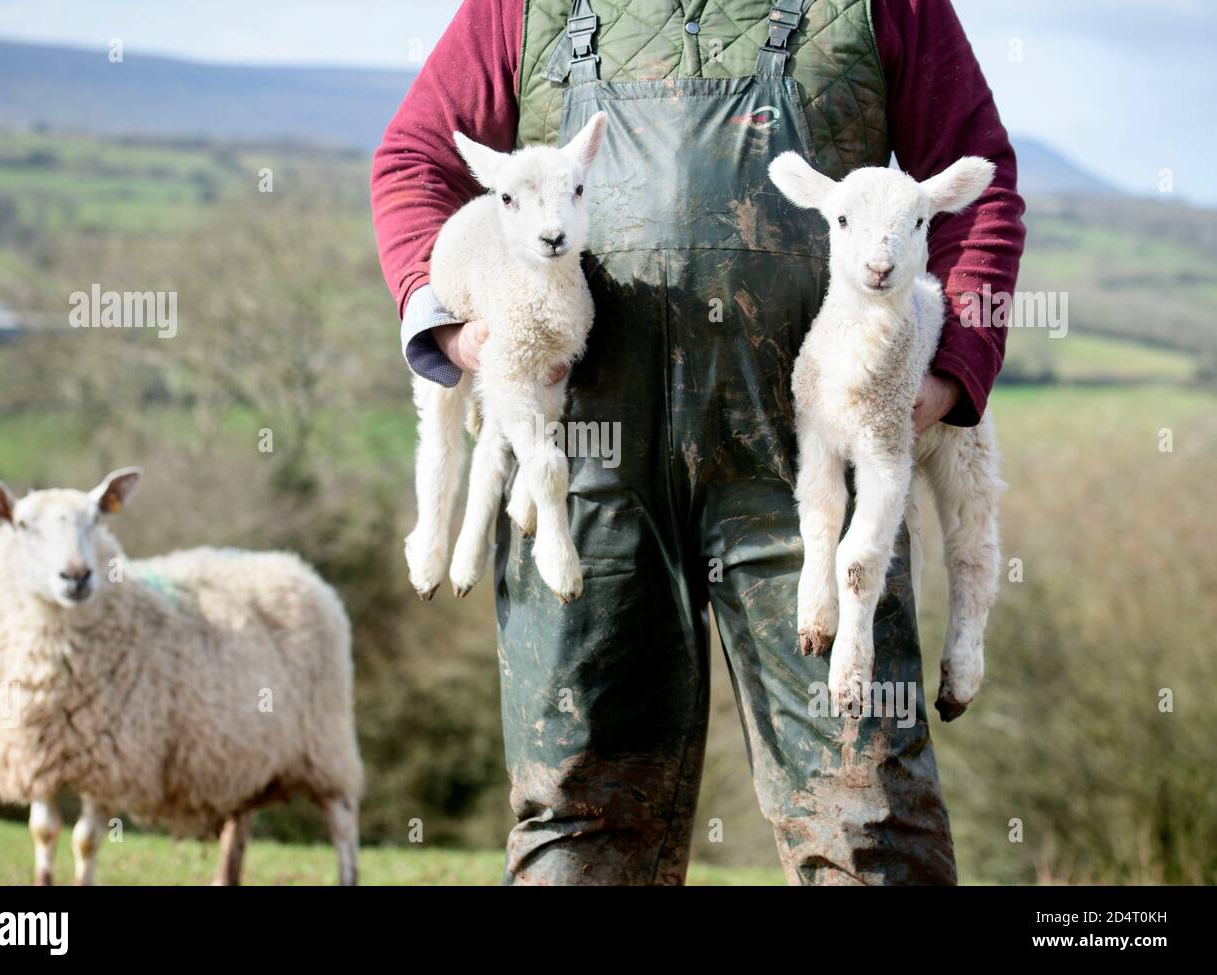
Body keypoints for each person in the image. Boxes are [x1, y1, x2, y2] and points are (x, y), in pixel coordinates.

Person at [371, 0, 1025, 885]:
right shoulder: (521, 8)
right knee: (580, 826)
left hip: (806, 471)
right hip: (592, 477)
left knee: (869, 821)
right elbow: (413, 161)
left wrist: (950, 369)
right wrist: (449, 324)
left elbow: (978, 187)